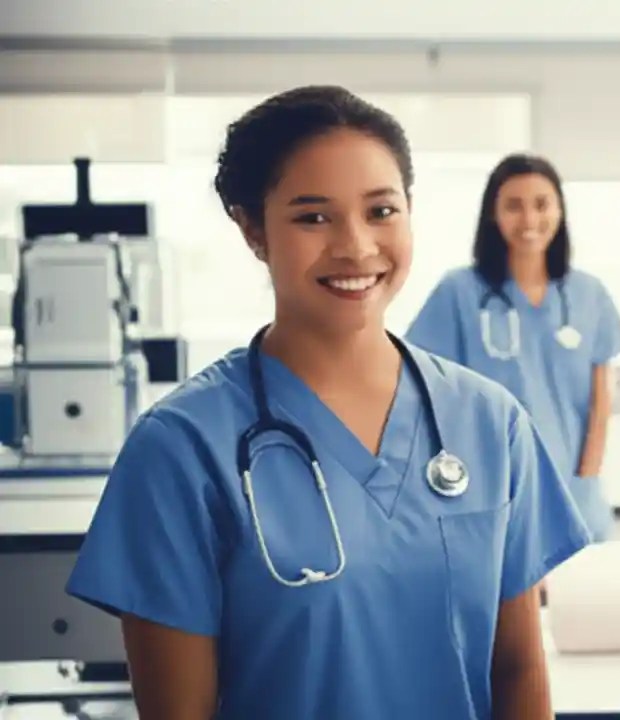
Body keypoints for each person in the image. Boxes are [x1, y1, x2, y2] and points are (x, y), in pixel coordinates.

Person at [65, 86, 589, 720]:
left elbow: (518, 671)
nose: (356, 246)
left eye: (381, 211)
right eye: (313, 217)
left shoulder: (489, 423)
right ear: (252, 228)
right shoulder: (182, 448)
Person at [405, 153, 620, 542]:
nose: (529, 220)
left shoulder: (588, 294)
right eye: (513, 206)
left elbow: (600, 400)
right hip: (488, 484)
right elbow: (425, 388)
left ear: (560, 210)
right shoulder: (459, 292)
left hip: (573, 487)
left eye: (541, 204)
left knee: (576, 597)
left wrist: (586, 478)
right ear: (493, 214)